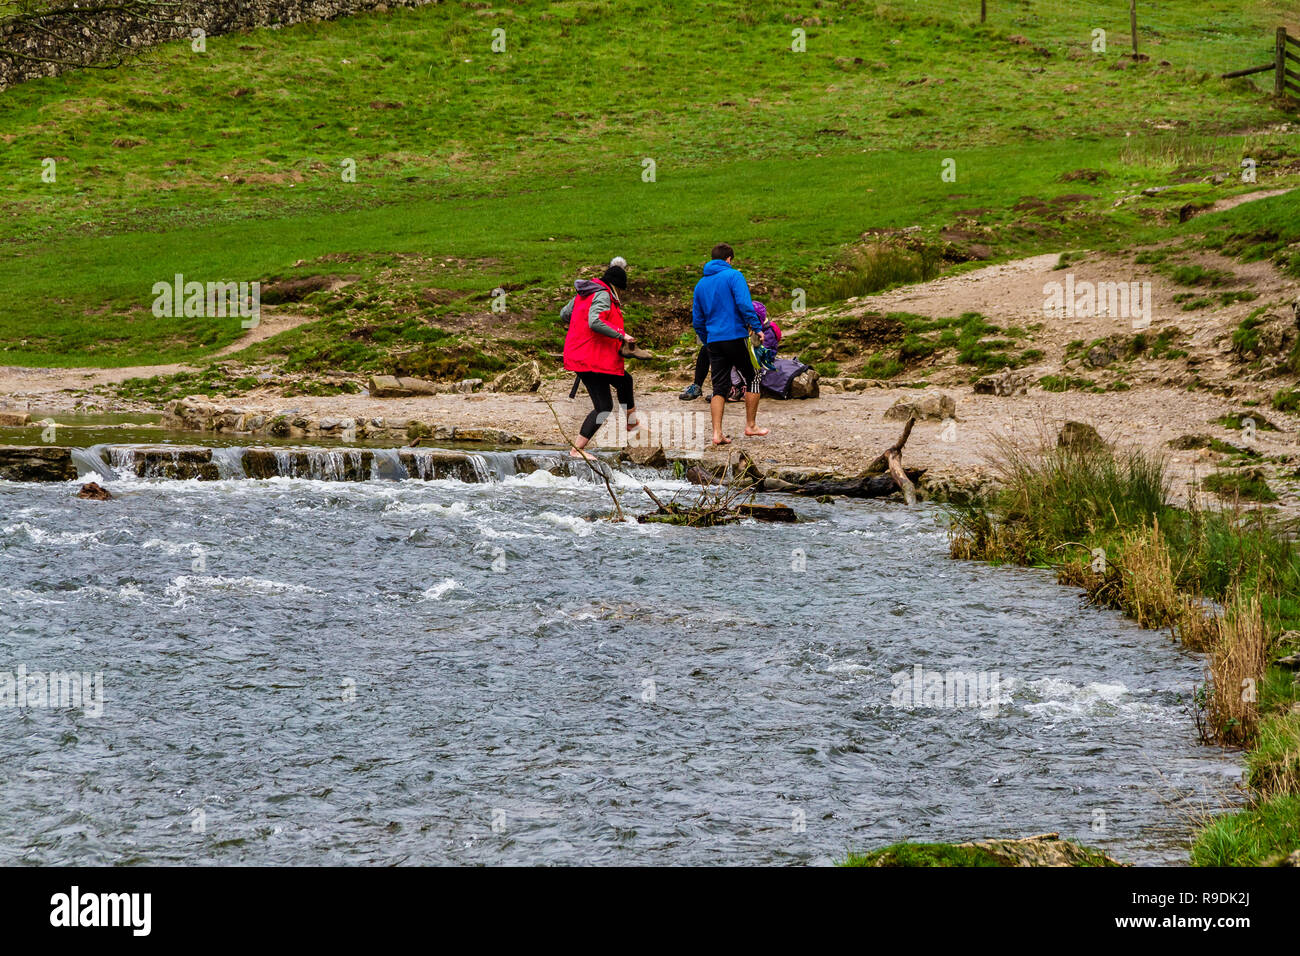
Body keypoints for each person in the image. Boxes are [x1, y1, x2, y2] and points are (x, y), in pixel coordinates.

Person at [691, 243, 769, 445]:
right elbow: (744, 304)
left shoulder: (700, 284)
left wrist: (707, 340)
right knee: (753, 376)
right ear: (728, 259)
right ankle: (751, 425)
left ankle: (717, 434)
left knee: (719, 387)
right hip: (735, 336)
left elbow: (697, 320)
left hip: (714, 341)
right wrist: (756, 326)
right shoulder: (734, 276)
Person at [560, 262, 640, 458]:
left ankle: (631, 425)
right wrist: (621, 335)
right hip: (589, 358)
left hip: (589, 355)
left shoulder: (585, 292)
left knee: (624, 380)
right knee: (603, 407)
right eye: (621, 290)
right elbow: (595, 321)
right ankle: (576, 450)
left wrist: (580, 329)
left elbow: (565, 314)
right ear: (616, 286)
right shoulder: (604, 294)